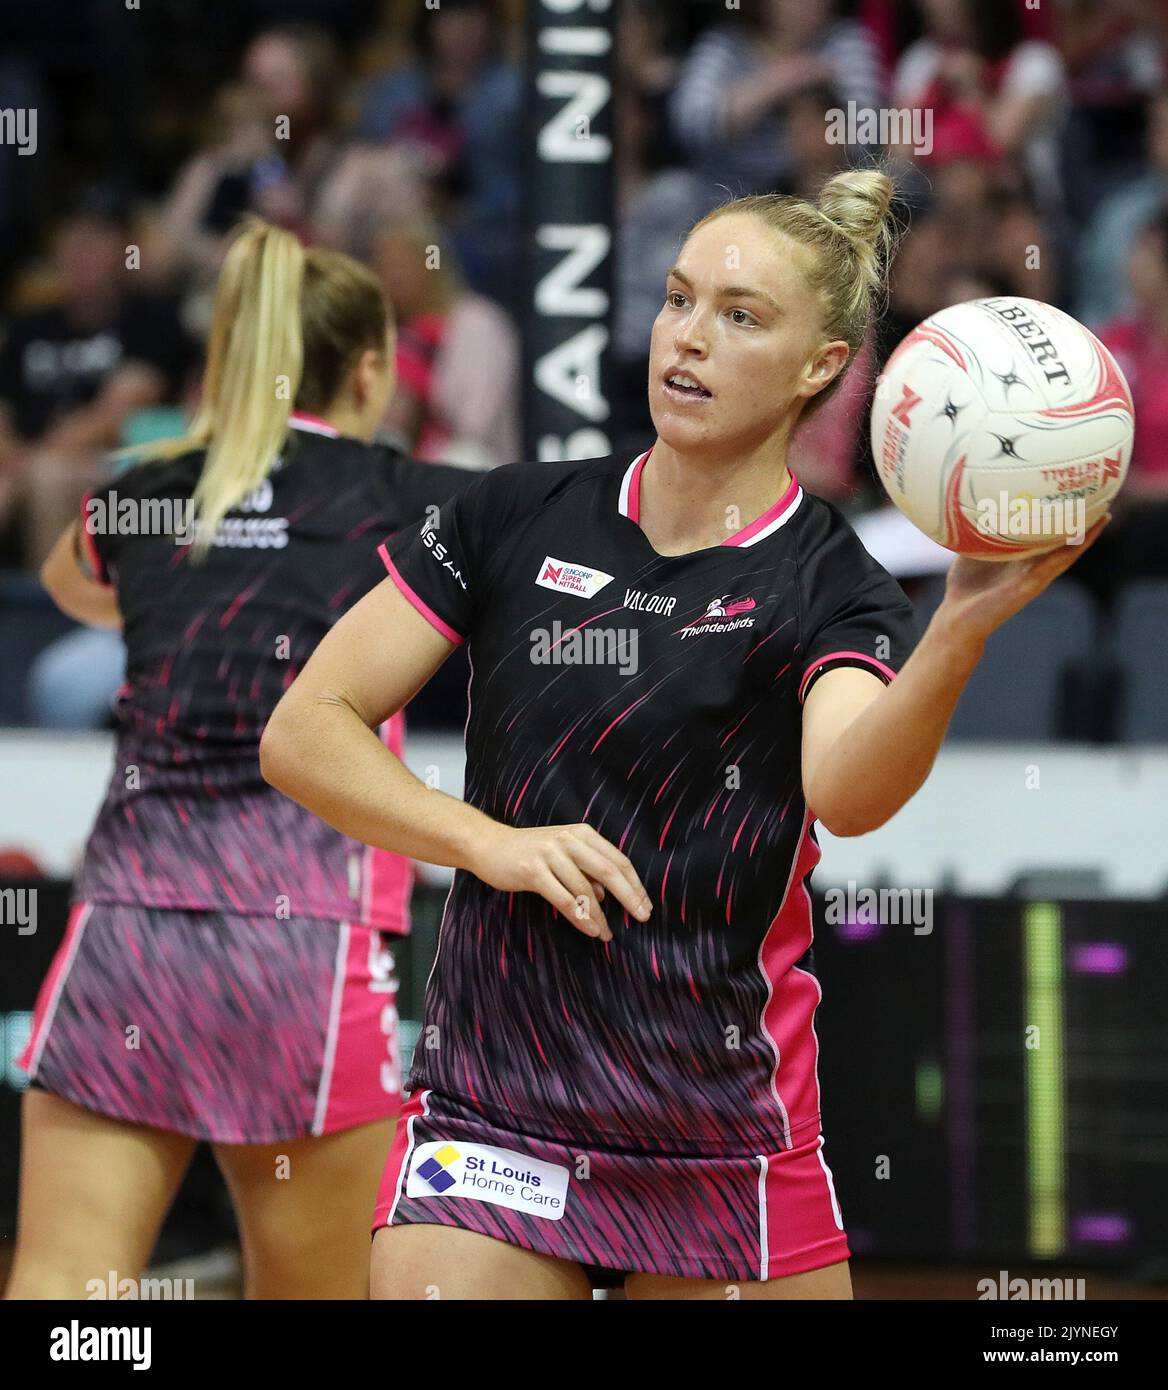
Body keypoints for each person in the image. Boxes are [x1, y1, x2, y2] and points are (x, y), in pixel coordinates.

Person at [260, 168, 1108, 1300]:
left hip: (720, 1121)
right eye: (676, 299)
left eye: (739, 316)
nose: (687, 339)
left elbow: (846, 793)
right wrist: (485, 842)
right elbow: (306, 728)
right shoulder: (513, 510)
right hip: (494, 1106)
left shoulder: (832, 585)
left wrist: (955, 631)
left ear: (822, 366)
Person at [5, 220, 474, 1300]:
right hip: (300, 952)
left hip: (125, 936)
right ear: (367, 372)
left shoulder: (147, 487)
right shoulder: (412, 501)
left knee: (66, 1296)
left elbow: (71, 581)